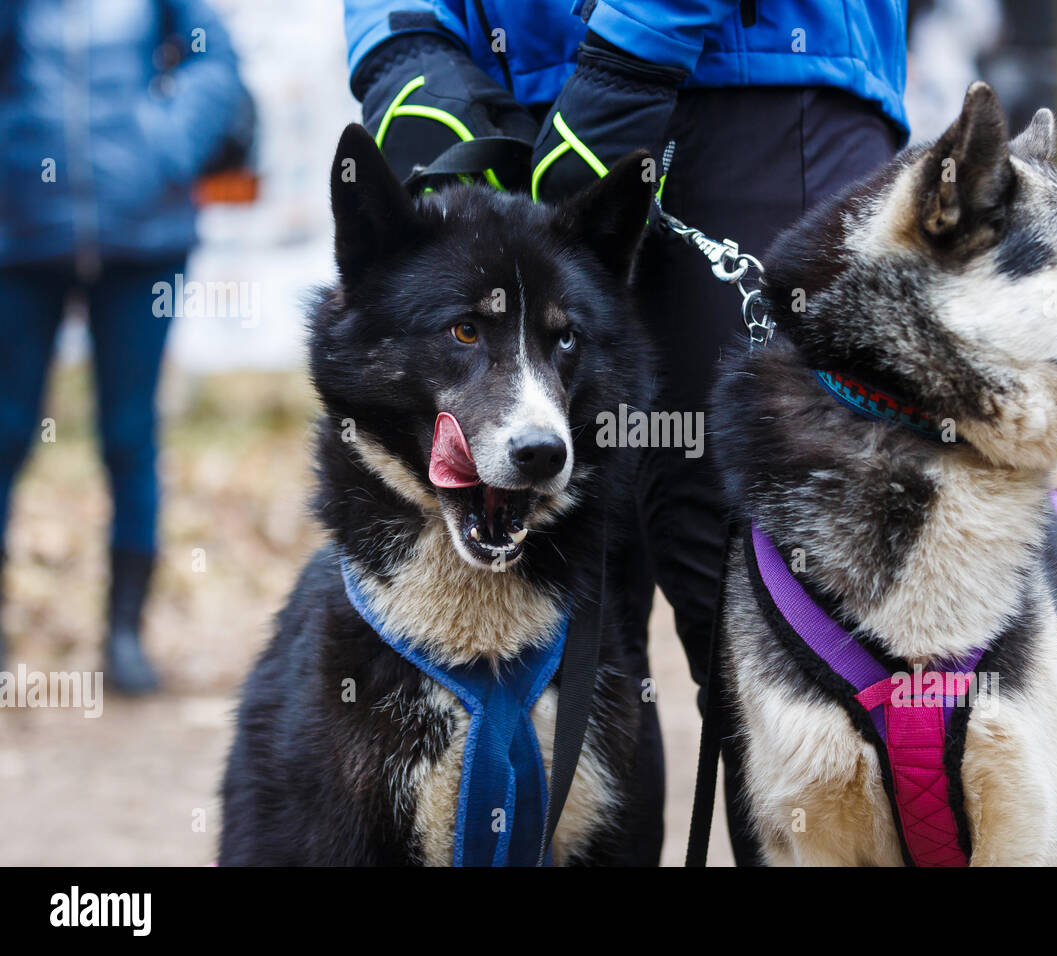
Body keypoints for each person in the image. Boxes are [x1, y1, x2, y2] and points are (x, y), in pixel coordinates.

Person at [342, 0, 908, 863]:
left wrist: (630, 57)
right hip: (499, 98)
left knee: (772, 636)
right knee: (575, 644)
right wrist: (403, 49)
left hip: (754, 82)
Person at [0, 0, 248, 693]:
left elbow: (215, 60)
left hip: (144, 239)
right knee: (5, 431)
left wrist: (167, 145)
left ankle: (124, 638)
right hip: (20, 234)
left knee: (129, 434)